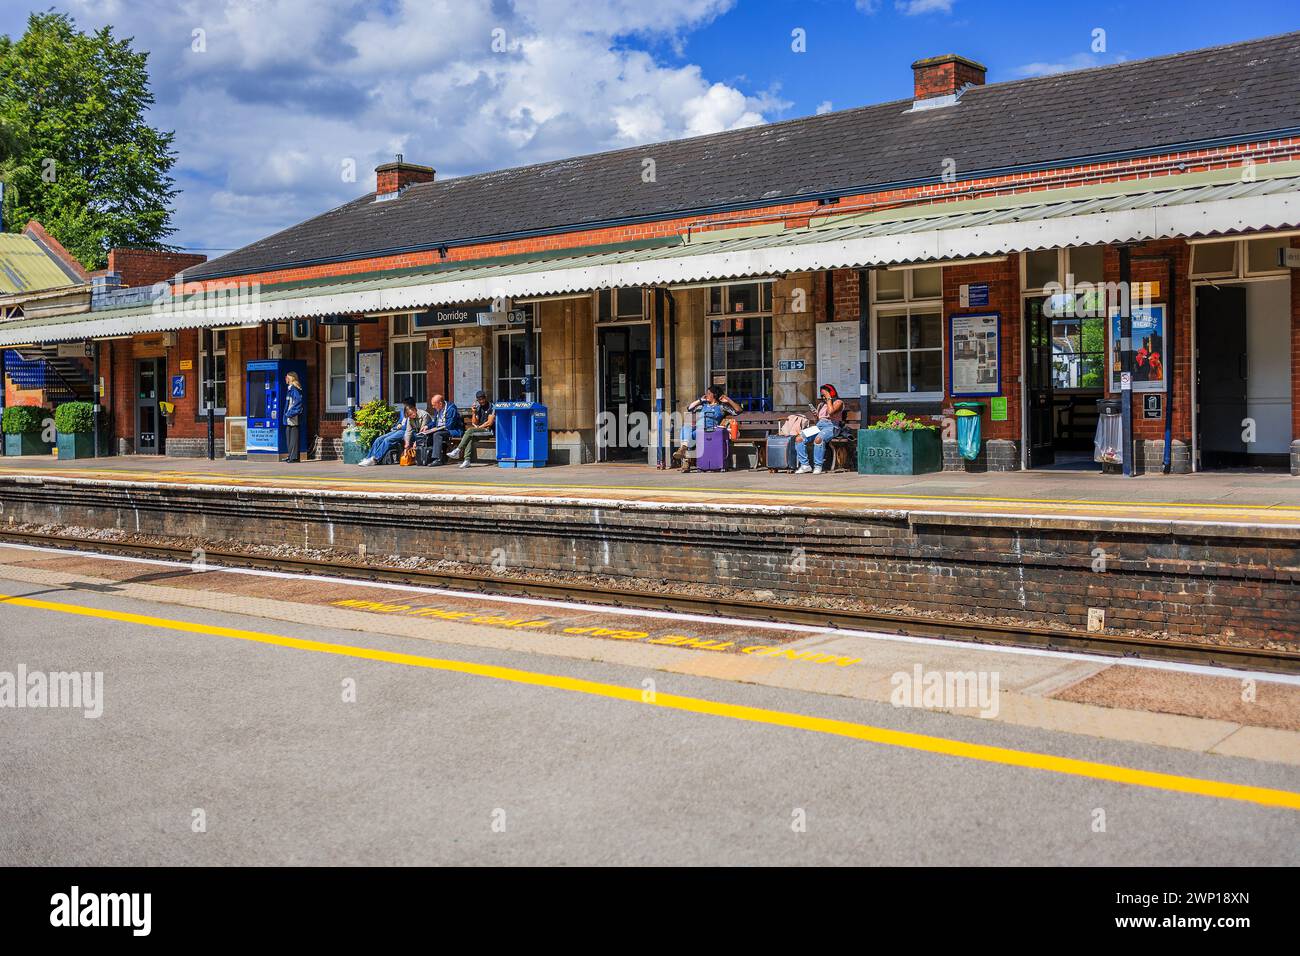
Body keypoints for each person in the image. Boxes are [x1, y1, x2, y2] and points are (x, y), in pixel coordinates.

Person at [673, 385, 739, 470]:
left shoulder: (722, 407)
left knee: (688, 435)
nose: (706, 395)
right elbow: (689, 408)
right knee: (686, 428)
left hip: (709, 430)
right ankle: (683, 449)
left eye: (708, 393)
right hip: (699, 430)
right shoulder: (703, 405)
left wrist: (728, 399)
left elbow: (738, 411)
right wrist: (700, 400)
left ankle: (685, 458)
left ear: (714, 395)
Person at [358, 396, 430, 466]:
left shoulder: (422, 414)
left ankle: (375, 459)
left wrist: (414, 441)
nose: (404, 406)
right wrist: (398, 426)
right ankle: (368, 458)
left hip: (408, 432)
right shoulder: (404, 412)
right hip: (401, 430)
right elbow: (405, 426)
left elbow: (412, 430)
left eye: (405, 405)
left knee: (388, 440)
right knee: (379, 439)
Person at [795, 383, 845, 475]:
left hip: (832, 426)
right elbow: (817, 421)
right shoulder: (821, 405)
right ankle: (805, 465)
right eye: (822, 395)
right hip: (819, 426)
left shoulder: (838, 402)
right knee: (799, 438)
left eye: (824, 394)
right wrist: (816, 416)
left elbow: (831, 413)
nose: (823, 397)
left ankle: (818, 466)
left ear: (831, 393)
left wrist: (829, 398)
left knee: (819, 439)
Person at [447, 390, 495, 468]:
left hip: (489, 431)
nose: (481, 401)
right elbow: (474, 422)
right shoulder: (479, 408)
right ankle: (467, 460)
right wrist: (473, 412)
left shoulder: (491, 407)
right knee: (470, 438)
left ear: (485, 398)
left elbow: (489, 423)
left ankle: (458, 450)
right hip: (480, 431)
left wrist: (479, 427)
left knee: (469, 431)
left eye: (482, 399)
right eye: (479, 400)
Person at [282, 371, 304, 463]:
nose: (285, 379)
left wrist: (289, 413)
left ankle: (294, 457)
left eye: (287, 377)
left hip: (293, 417)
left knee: (293, 437)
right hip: (289, 417)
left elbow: (298, 402)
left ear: (291, 378)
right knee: (289, 437)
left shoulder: (294, 389)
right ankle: (291, 455)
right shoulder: (290, 389)